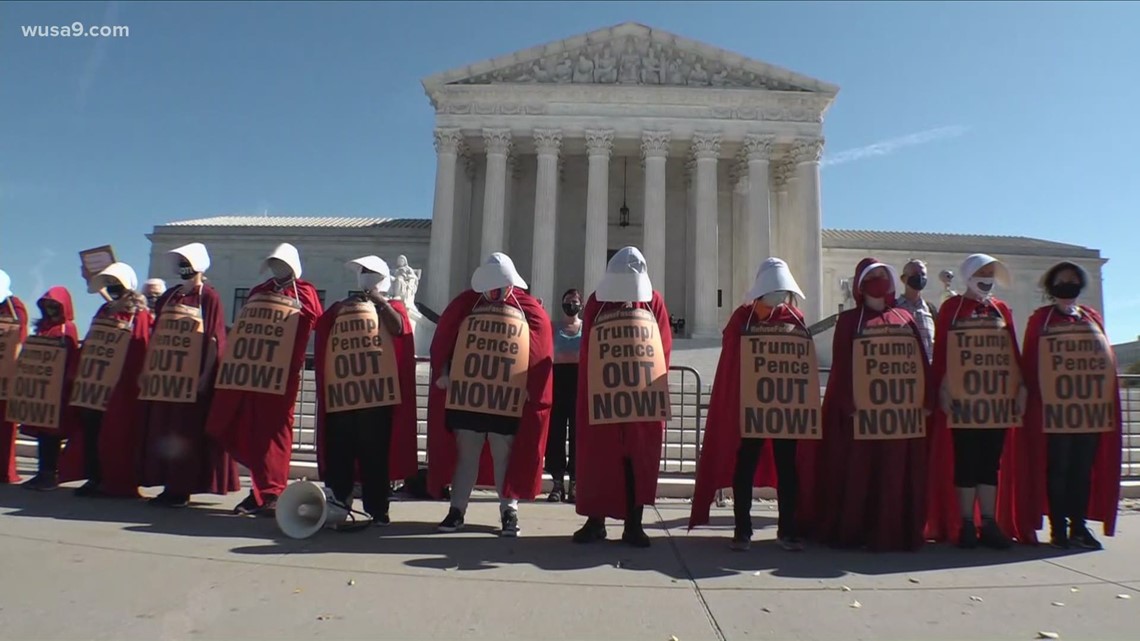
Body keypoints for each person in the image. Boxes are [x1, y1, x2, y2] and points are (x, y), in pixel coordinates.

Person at [689, 258, 819, 551]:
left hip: (785, 410)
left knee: (788, 468)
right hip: (751, 409)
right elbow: (731, 356)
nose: (776, 299)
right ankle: (742, 528)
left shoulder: (794, 318)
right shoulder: (742, 318)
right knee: (745, 466)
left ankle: (787, 529)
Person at [811, 258, 933, 551]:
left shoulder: (905, 318)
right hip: (862, 416)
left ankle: (894, 531)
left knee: (893, 476)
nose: (878, 282)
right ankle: (859, 530)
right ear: (860, 285)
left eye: (882, 276)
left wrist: (925, 400)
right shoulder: (850, 321)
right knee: (862, 474)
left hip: (900, 418)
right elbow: (842, 367)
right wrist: (848, 403)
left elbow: (918, 363)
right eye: (872, 277)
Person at [426, 252, 552, 537]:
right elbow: (446, 342)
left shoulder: (528, 309)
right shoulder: (465, 306)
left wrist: (530, 389)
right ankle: (457, 510)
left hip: (506, 401)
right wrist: (444, 372)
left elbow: (538, 351)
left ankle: (509, 512)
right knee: (466, 456)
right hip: (468, 398)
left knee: (504, 457)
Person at [1002, 262, 1121, 549]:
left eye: (1072, 280)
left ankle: (1079, 525)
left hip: (1089, 411)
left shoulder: (1091, 318)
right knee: (1059, 468)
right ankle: (1059, 527)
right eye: (1061, 279)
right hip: (1053, 413)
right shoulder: (1041, 320)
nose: (1067, 284)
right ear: (1051, 286)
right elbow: (1030, 363)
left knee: (1083, 470)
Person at [208, 243, 323, 516]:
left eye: (282, 264)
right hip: (252, 375)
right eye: (273, 263)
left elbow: (314, 318)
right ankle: (258, 492)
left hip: (281, 376)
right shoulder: (259, 291)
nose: (277, 268)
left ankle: (272, 492)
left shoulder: (304, 291)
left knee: (275, 433)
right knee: (252, 430)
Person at [572, 247, 672, 548]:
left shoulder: (654, 301)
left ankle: (634, 524)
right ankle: (595, 521)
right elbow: (588, 345)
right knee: (599, 460)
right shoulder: (596, 302)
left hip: (640, 400)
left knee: (637, 462)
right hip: (605, 394)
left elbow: (662, 345)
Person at [925, 254, 1024, 549]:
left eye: (991, 272)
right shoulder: (951, 309)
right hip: (963, 402)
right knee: (966, 461)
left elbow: (1013, 353)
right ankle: (967, 522)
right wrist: (942, 390)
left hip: (995, 403)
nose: (987, 276)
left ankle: (990, 522)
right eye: (981, 271)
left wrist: (1020, 390)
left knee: (990, 464)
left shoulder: (1001, 309)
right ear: (969, 275)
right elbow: (941, 353)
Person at [313, 256, 418, 525]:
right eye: (362, 271)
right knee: (340, 453)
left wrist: (379, 302)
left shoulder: (392, 306)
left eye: (369, 271)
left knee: (374, 456)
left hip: (376, 398)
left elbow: (399, 329)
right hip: (343, 397)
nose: (364, 275)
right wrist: (341, 309)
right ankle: (338, 501)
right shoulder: (344, 306)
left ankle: (378, 508)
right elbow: (323, 329)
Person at [138, 243, 239, 507]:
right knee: (165, 433)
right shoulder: (169, 297)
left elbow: (215, 338)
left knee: (184, 436)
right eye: (179, 260)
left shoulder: (209, 296)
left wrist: (205, 376)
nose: (183, 265)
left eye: (187, 261)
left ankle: (180, 489)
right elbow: (157, 336)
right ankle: (168, 483)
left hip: (191, 382)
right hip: (165, 380)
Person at [59, 263, 153, 498]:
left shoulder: (138, 314)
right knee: (91, 430)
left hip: (121, 384)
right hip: (93, 381)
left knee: (116, 433)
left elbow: (140, 346)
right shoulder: (104, 310)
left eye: (116, 284)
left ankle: (116, 480)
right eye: (108, 284)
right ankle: (95, 477)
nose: (111, 288)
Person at [18, 287, 80, 491]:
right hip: (40, 389)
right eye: (47, 305)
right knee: (41, 433)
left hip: (58, 390)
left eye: (54, 305)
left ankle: (50, 474)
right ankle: (42, 472)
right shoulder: (43, 327)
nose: (50, 309)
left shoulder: (67, 328)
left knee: (52, 434)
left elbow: (72, 357)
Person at [545, 287, 582, 503]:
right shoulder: (553, 328)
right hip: (557, 381)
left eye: (575, 300)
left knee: (578, 434)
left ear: (581, 305)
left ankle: (576, 482)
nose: (571, 304)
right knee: (555, 433)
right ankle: (557, 482)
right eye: (568, 300)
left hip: (578, 381)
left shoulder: (586, 329)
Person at [0, 269, 28, 484]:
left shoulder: (14, 307)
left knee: (4, 425)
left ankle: (4, 470)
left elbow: (18, 338)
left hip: (5, 375)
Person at [896, 259, 937, 363]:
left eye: (923, 274)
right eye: (915, 274)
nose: (919, 277)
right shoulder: (893, 308)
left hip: (928, 371)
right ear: (904, 279)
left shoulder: (930, 309)